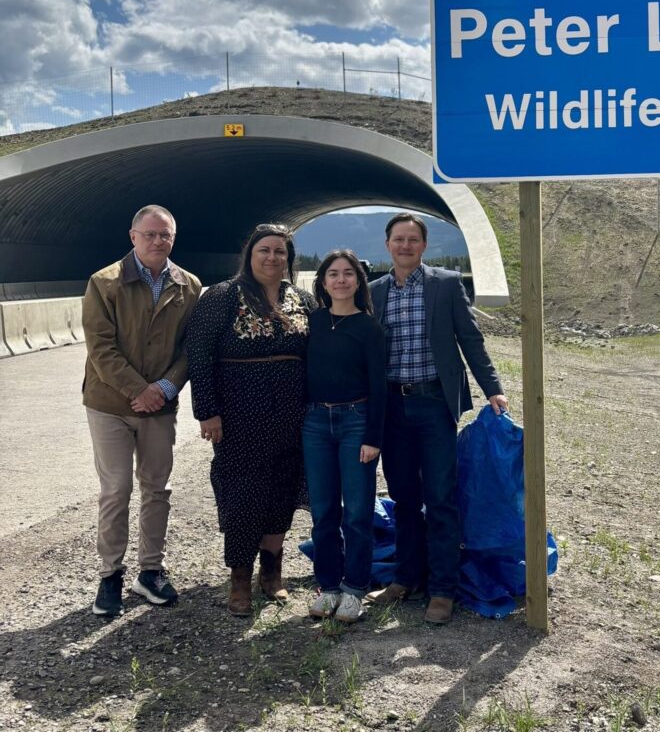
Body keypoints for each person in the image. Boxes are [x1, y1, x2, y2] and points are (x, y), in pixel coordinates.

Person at [367, 212, 508, 624]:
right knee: (404, 496)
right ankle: (405, 578)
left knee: (441, 498)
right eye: (398, 239)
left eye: (413, 240)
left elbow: (470, 339)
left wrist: (492, 387)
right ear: (388, 244)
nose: (405, 246)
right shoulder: (374, 292)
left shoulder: (445, 285)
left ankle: (443, 589)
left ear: (424, 246)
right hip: (392, 408)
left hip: (433, 404)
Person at [187, 223, 316, 616]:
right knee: (243, 495)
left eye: (281, 252)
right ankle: (240, 580)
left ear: (289, 260)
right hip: (240, 415)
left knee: (283, 489)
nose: (273, 257)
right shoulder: (222, 297)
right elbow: (199, 354)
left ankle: (271, 574)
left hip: (292, 415)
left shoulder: (304, 300)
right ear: (250, 254)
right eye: (265, 250)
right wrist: (207, 411)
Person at [82, 205, 202, 617]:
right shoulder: (104, 282)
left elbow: (191, 348)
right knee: (116, 489)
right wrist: (140, 390)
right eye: (149, 234)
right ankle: (109, 574)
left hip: (159, 407)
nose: (157, 242)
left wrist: (164, 388)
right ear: (133, 236)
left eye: (164, 235)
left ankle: (150, 570)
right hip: (110, 405)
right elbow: (101, 347)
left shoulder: (189, 286)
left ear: (174, 237)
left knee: (157, 488)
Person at [303, 249, 387, 622]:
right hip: (316, 423)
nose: (340, 280)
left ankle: (355, 588)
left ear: (358, 281)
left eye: (347, 274)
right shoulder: (313, 322)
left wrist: (374, 436)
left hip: (356, 421)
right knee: (322, 511)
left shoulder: (369, 327)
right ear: (322, 281)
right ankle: (329, 585)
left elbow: (379, 386)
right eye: (333, 273)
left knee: (355, 511)